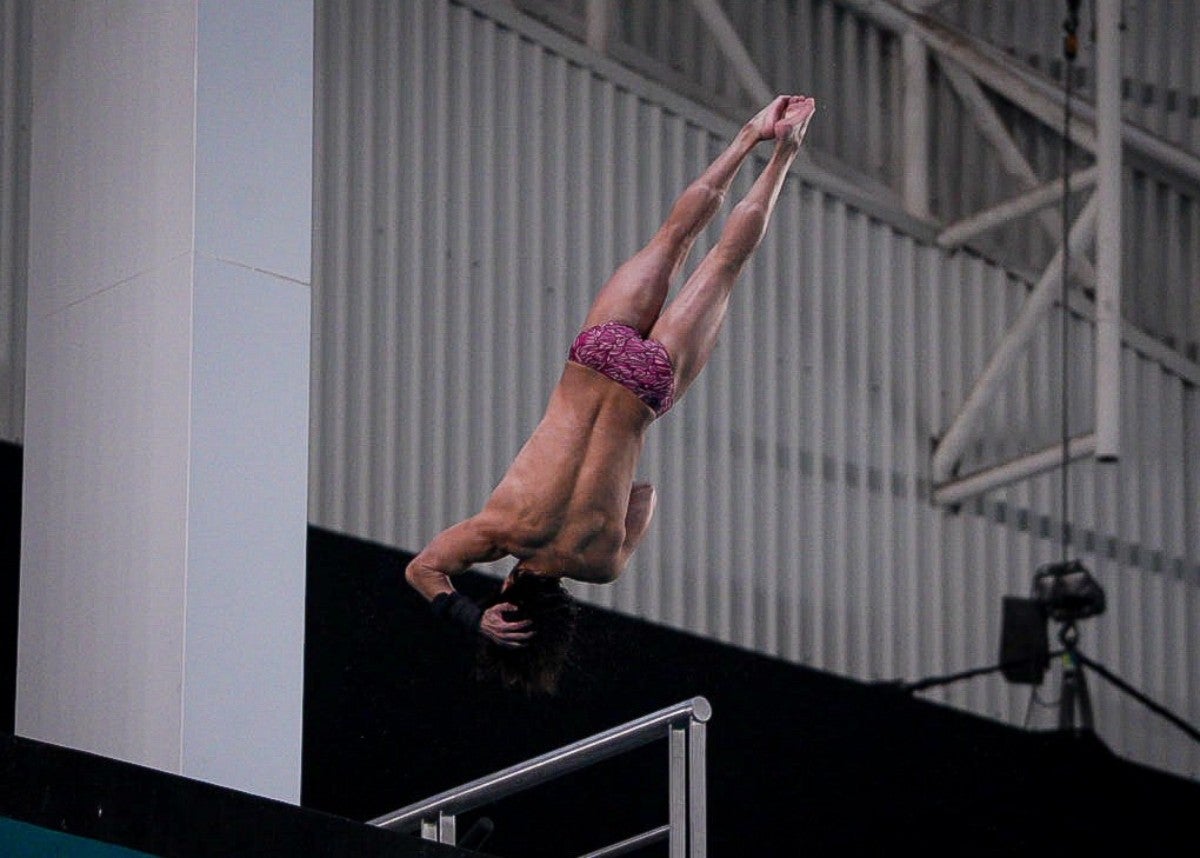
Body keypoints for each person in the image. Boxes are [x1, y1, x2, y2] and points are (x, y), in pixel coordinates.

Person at [406, 95, 817, 693]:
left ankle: (785, 151)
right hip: (595, 358)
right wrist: (469, 617)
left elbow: (644, 495)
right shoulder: (497, 529)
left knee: (726, 262)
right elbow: (423, 570)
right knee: (675, 236)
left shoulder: (602, 563)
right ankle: (751, 134)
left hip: (646, 384)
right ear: (506, 585)